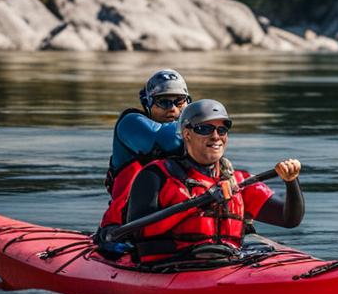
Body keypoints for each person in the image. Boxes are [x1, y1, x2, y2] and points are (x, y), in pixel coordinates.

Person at [123, 99, 304, 264]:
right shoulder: (156, 176)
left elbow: (289, 219)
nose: (216, 136)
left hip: (229, 262)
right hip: (172, 265)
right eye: (205, 129)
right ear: (186, 134)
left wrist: (291, 182)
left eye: (222, 129)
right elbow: (138, 232)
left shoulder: (239, 181)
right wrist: (200, 203)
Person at [97, 69, 191, 237]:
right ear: (147, 103)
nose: (172, 109)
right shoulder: (131, 123)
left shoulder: (198, 138)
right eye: (163, 102)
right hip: (125, 231)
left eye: (179, 101)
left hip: (182, 229)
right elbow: (164, 140)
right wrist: (202, 125)